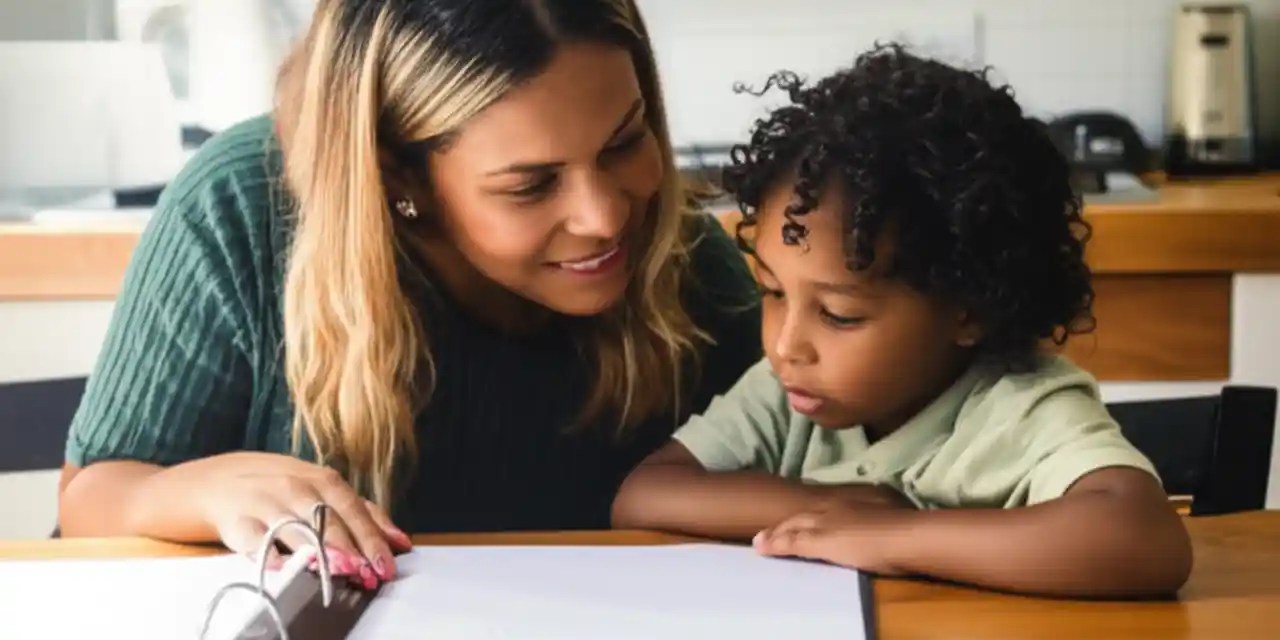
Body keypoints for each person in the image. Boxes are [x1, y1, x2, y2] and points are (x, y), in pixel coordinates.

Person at [58, 0, 760, 588]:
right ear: (399, 179)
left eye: (625, 142)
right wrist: (202, 491)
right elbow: (91, 500)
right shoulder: (241, 207)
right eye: (531, 185)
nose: (606, 216)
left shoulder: (677, 251)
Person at [612, 46, 1193, 599]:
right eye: (773, 291)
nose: (787, 345)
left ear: (968, 309)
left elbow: (1143, 537)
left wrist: (890, 537)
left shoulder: (1016, 407)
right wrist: (835, 508)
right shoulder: (786, 394)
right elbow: (644, 495)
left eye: (839, 315)